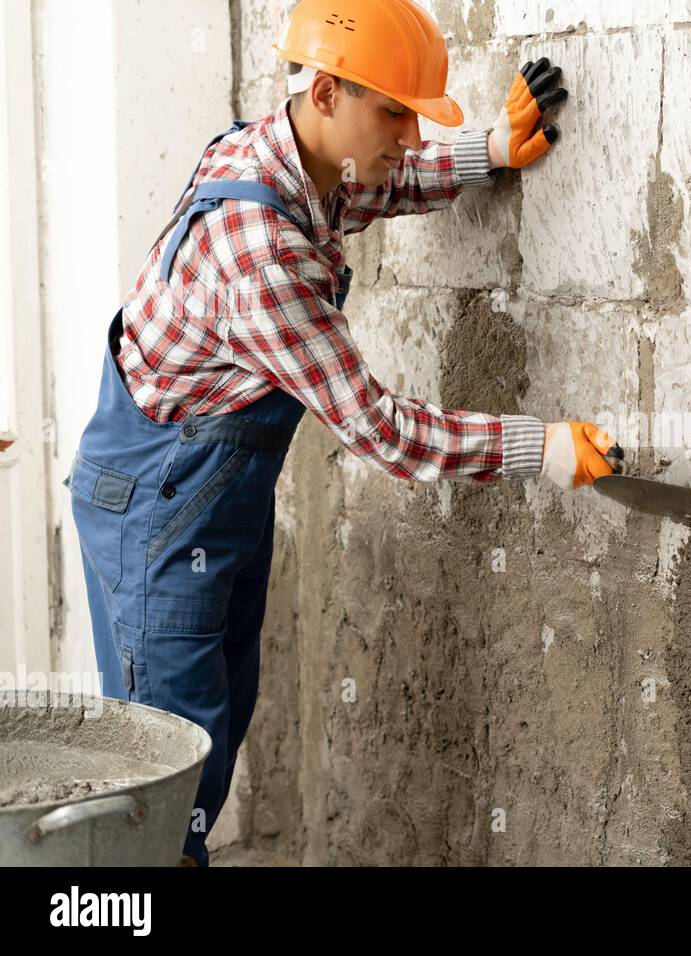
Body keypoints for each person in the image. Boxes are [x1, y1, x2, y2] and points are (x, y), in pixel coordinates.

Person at [62, 0, 620, 868]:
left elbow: (377, 181)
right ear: (326, 92)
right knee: (162, 780)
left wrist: (490, 152)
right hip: (154, 513)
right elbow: (385, 431)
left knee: (211, 733)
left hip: (204, 505)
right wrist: (538, 447)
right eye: (394, 111)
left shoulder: (286, 155)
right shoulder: (260, 255)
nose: (406, 133)